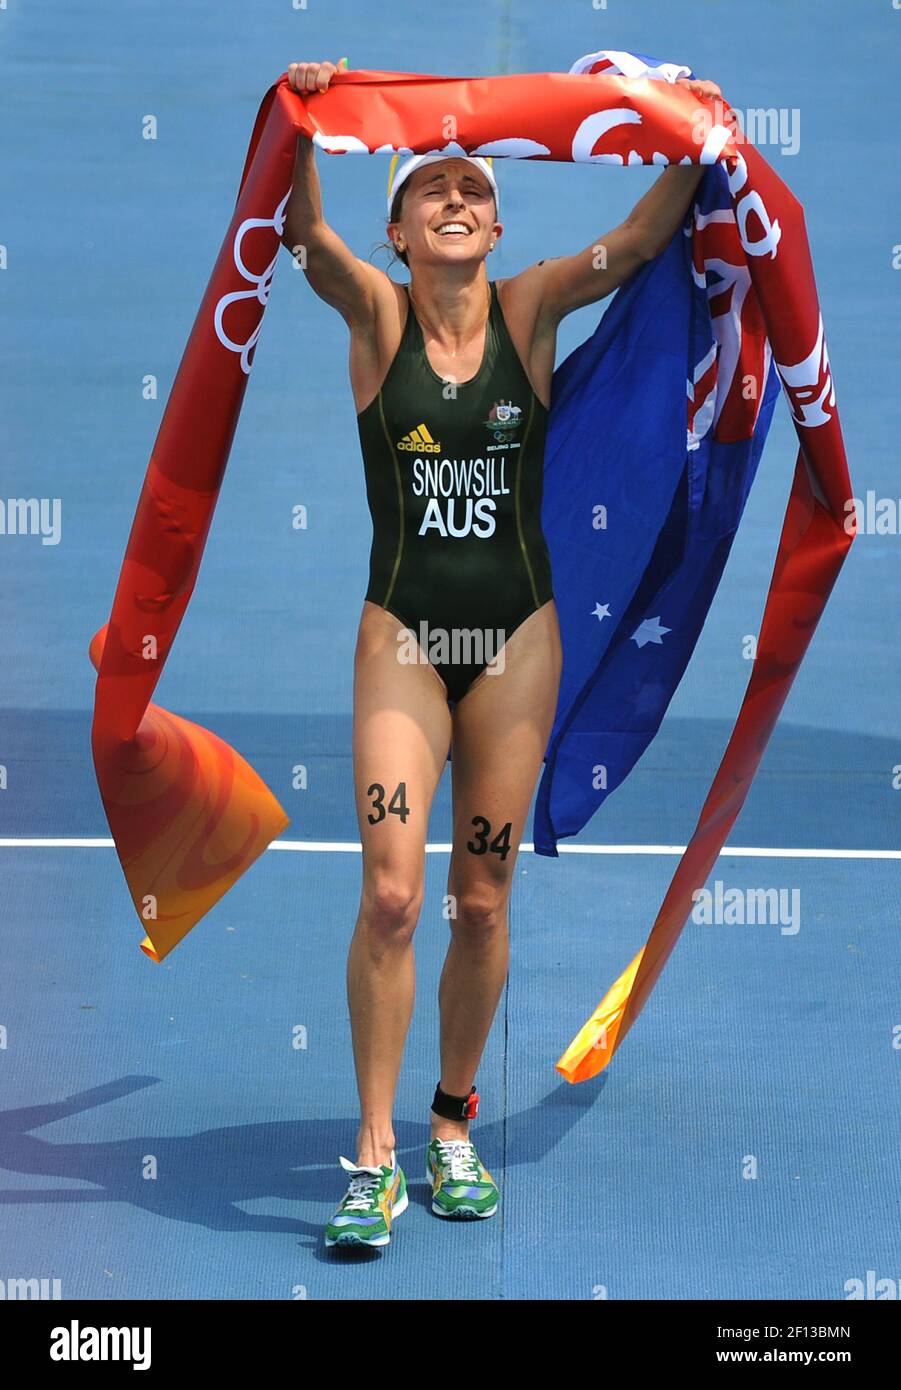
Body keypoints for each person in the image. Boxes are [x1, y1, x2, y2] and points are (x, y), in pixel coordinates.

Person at [281, 58, 721, 1249]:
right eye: (433, 188)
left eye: (474, 185)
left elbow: (633, 244)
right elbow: (299, 233)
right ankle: (373, 1157)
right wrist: (296, 115)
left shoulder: (529, 307)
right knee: (390, 892)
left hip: (514, 651)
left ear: (498, 217)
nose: (458, 198)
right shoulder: (377, 317)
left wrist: (694, 131)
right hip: (407, 648)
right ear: (401, 225)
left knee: (480, 901)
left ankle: (450, 1121)